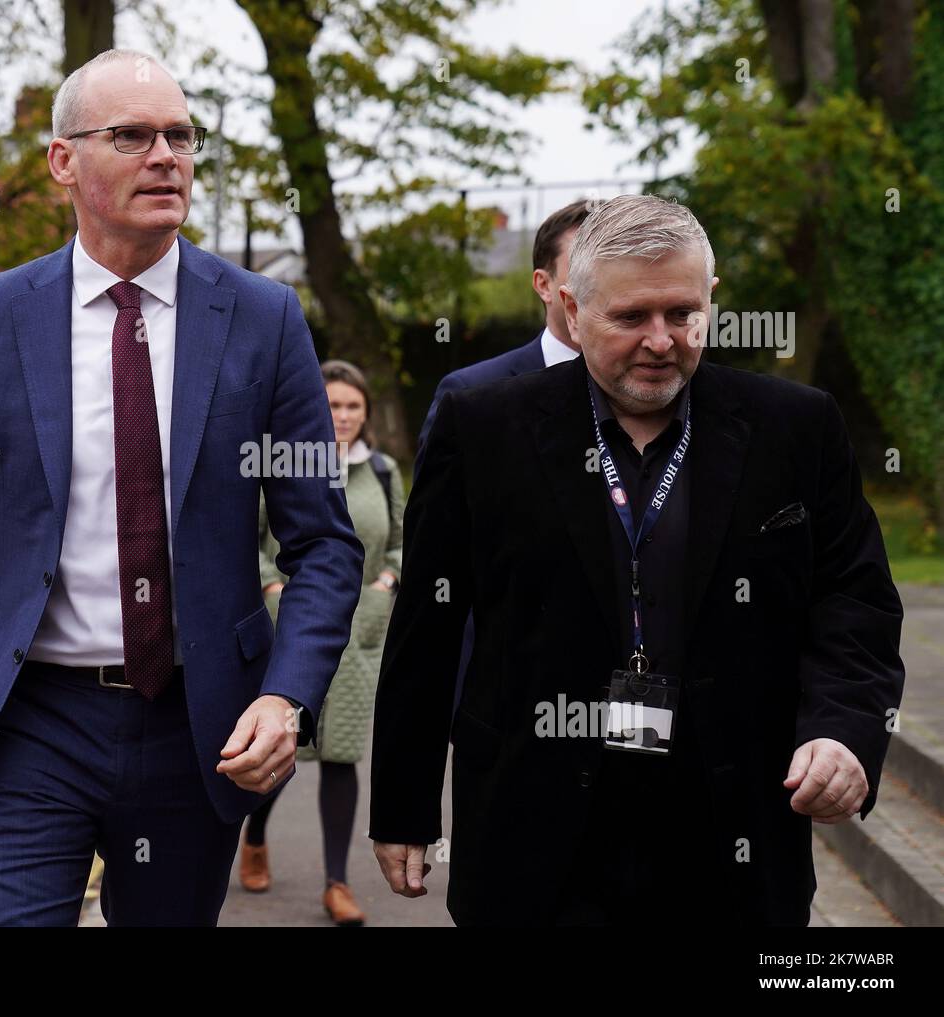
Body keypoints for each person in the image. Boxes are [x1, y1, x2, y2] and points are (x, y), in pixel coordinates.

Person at [0, 48, 363, 926]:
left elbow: (322, 544)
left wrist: (286, 695)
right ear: (62, 161)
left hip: (196, 724)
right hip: (26, 724)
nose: (166, 156)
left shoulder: (264, 319)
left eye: (181, 136)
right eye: (132, 136)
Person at [369, 193, 906, 926]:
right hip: (535, 831)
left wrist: (843, 728)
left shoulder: (797, 427)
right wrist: (403, 800)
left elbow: (854, 596)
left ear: (712, 299)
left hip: (733, 835)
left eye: (682, 313)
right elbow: (429, 624)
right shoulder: (483, 425)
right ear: (570, 306)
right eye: (631, 317)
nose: (661, 340)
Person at [243, 360, 403, 925]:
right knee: (284, 751)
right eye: (332, 405)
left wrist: (387, 583)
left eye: (352, 406)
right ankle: (255, 836)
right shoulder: (289, 463)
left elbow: (402, 542)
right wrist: (271, 584)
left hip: (361, 635)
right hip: (295, 630)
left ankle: (337, 883)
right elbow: (254, 538)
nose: (342, 417)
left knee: (341, 759)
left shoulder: (382, 472)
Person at [413, 198, 590, 477]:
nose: (604, 286)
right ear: (544, 285)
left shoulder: (661, 387)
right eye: (586, 272)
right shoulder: (470, 394)